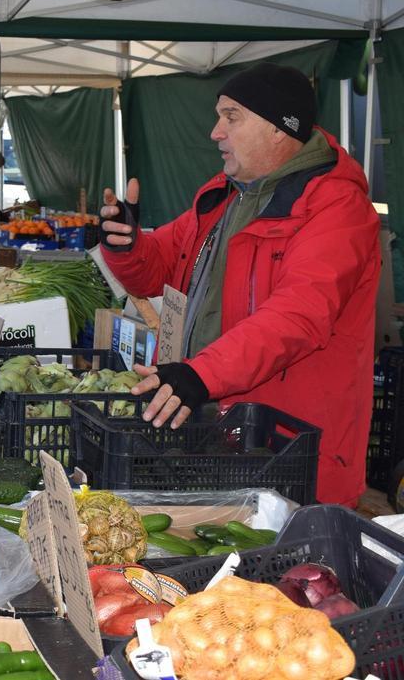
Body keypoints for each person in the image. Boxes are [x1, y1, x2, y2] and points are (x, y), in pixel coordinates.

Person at [100, 62, 380, 506]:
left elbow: (299, 315)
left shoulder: (337, 207)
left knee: (287, 570)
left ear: (278, 128)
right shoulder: (224, 196)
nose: (215, 131)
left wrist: (201, 373)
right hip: (219, 433)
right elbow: (155, 270)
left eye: (231, 116)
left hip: (290, 448)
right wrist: (127, 244)